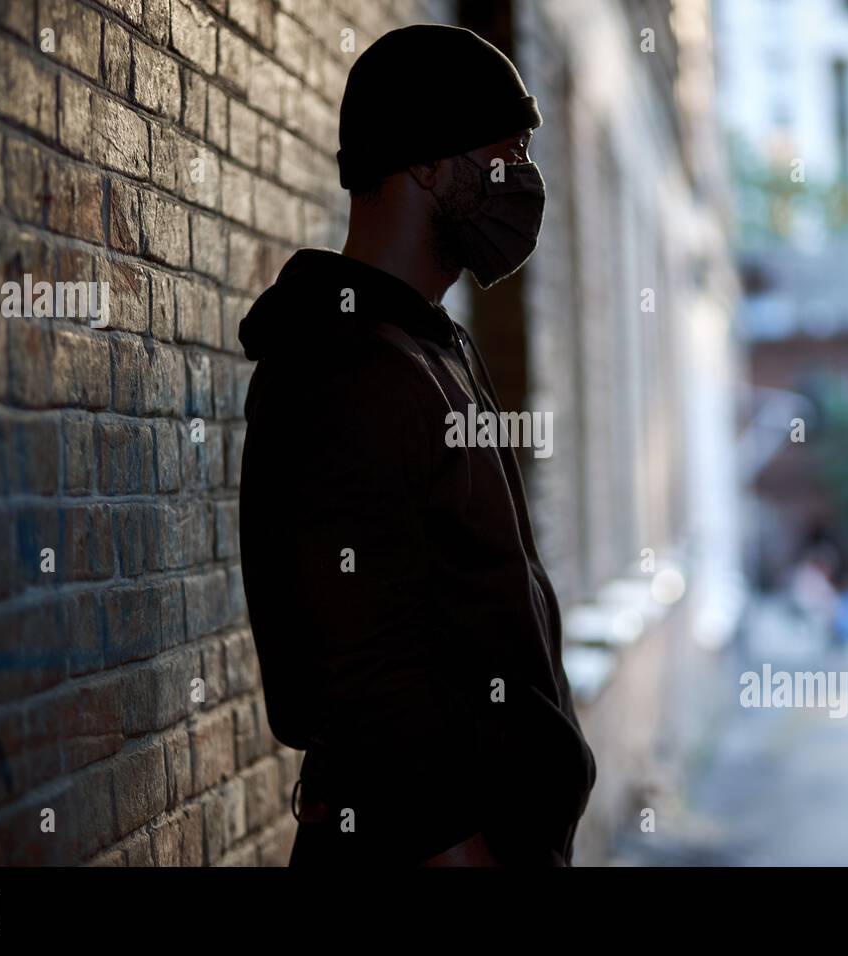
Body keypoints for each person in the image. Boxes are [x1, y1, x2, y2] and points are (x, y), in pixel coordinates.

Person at [236, 24, 597, 867]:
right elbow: (366, 673)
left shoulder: (429, 345)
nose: (523, 184)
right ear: (428, 162)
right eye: (505, 155)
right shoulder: (339, 360)